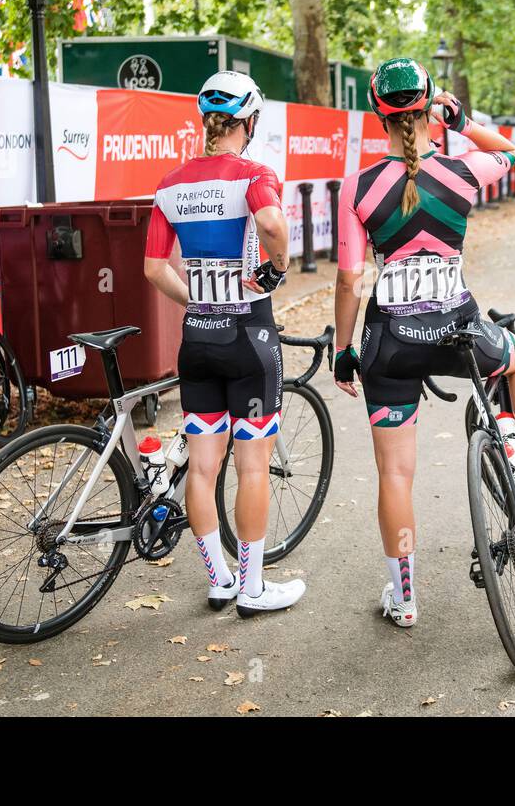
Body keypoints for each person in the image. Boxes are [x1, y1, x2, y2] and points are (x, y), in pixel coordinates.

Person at [333, 57, 515, 628]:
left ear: (379, 116)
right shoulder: (463, 170)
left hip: (389, 341)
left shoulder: (358, 187)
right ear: (427, 110)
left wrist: (343, 349)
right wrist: (460, 120)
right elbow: (509, 152)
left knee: (395, 475)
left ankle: (405, 597)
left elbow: (348, 279)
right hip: (459, 330)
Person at [143, 70, 306, 618]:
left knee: (203, 468)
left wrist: (193, 298)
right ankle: (253, 589)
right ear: (250, 122)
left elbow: (151, 268)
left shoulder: (171, 184)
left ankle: (219, 578)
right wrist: (275, 269)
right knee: (253, 468)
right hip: (249, 338)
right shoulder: (254, 174)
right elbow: (272, 224)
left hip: (199, 341)